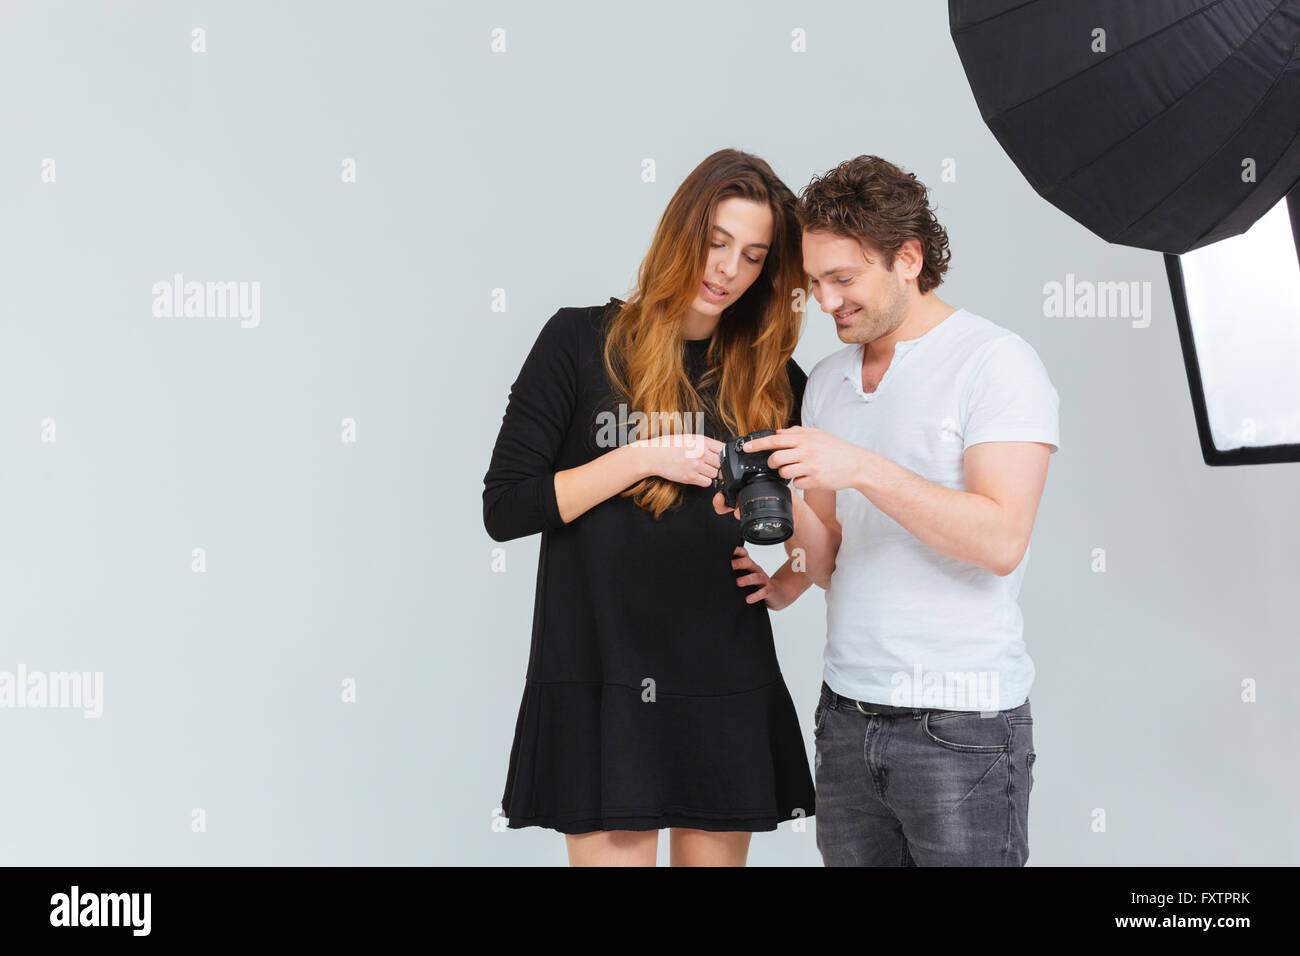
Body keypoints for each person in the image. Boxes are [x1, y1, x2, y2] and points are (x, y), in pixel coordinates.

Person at [717, 155, 1060, 865]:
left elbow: (999, 538)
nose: (826, 300)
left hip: (961, 727)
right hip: (845, 718)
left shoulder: (995, 362)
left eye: (843, 279)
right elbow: (829, 551)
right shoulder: (831, 383)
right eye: (813, 283)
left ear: (908, 258)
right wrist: (774, 517)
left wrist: (864, 470)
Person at [482, 148, 816, 866]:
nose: (728, 269)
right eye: (717, 241)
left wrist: (794, 572)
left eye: (754, 256)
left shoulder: (772, 377)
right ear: (681, 231)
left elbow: (830, 514)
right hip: (603, 673)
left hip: (724, 674)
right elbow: (506, 508)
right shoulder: (578, 342)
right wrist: (640, 457)